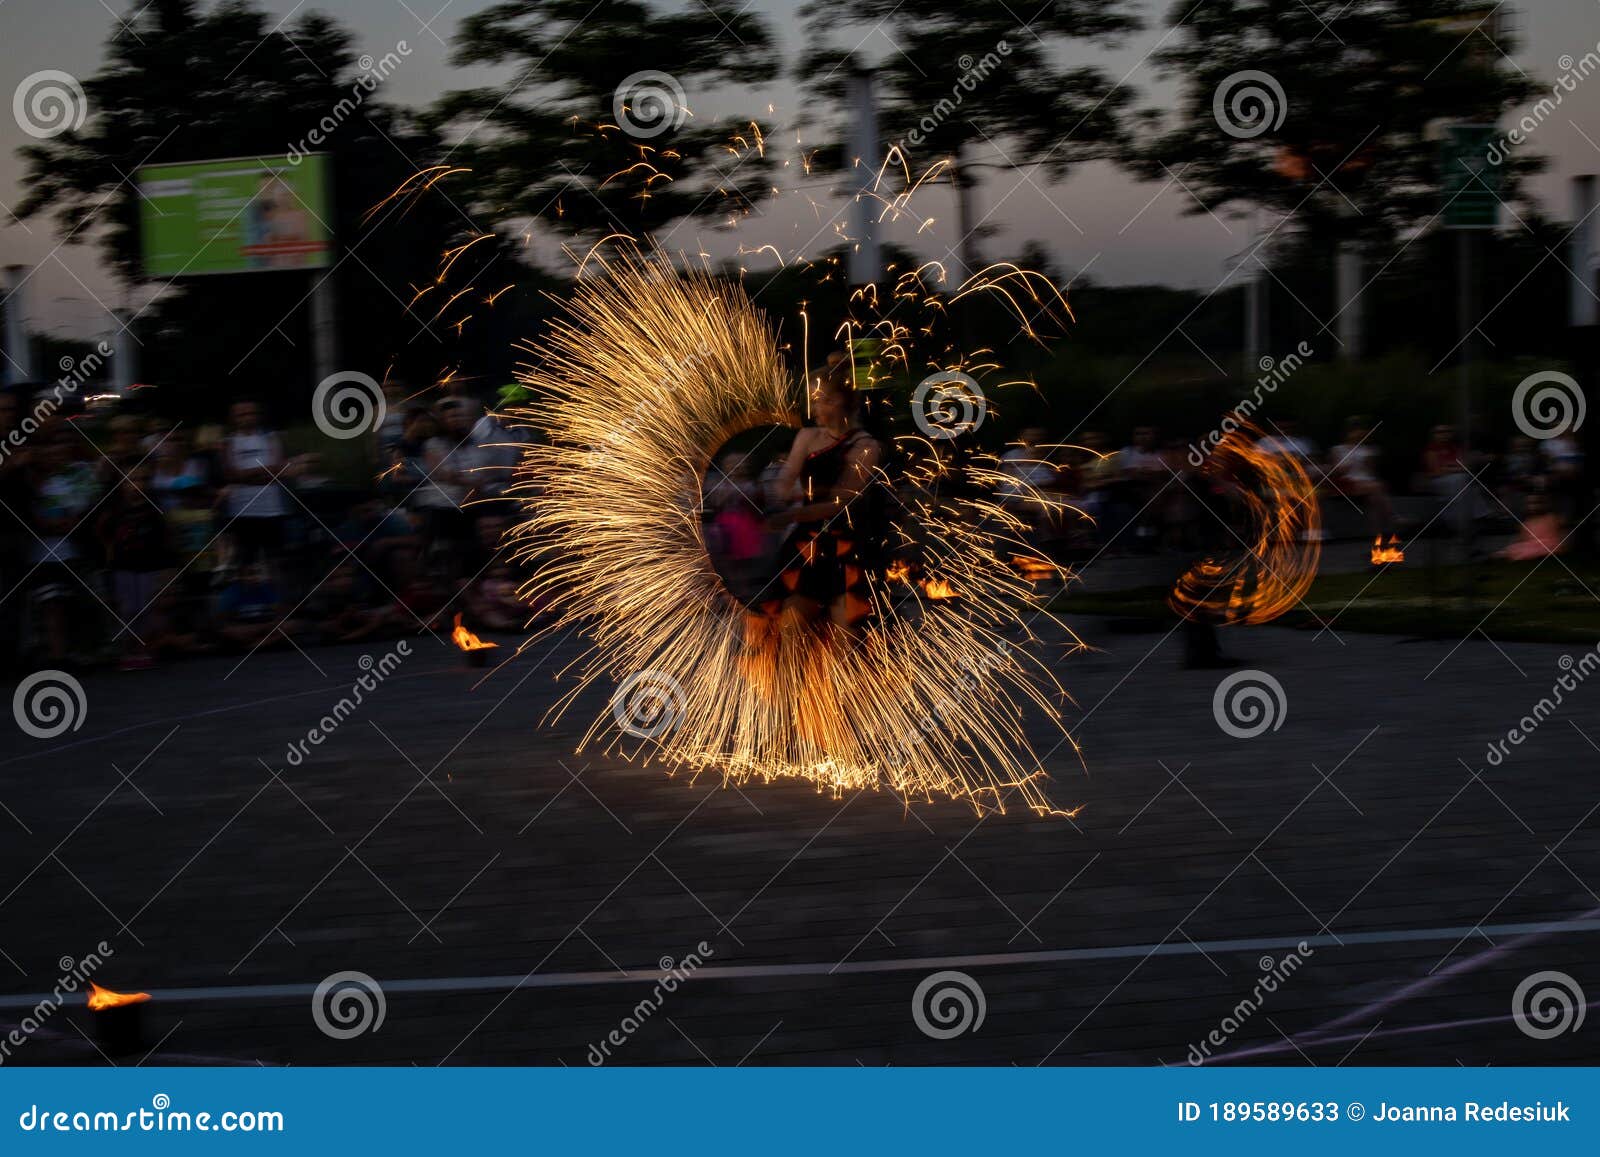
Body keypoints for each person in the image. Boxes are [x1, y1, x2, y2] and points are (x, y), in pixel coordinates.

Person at [767, 353, 885, 632]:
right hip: (808, 545)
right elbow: (784, 482)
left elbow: (839, 502)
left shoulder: (866, 446)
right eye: (814, 399)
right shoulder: (806, 437)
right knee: (790, 625)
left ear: (847, 401)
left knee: (847, 632)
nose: (817, 408)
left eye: (825, 400)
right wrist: (778, 496)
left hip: (849, 547)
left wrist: (792, 513)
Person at [96, 462, 171, 670]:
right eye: (130, 480)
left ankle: (142, 648)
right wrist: (109, 550)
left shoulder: (152, 507)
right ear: (121, 484)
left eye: (141, 480)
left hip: (147, 564)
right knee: (127, 607)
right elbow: (102, 530)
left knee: (144, 607)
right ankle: (127, 650)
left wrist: (163, 564)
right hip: (123, 564)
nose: (136, 485)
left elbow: (163, 535)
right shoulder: (115, 509)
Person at [220, 400, 288, 571]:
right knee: (245, 562)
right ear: (233, 418)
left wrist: (245, 475)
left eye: (251, 413)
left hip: (271, 509)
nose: (247, 418)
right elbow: (230, 474)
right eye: (242, 414)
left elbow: (278, 470)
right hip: (242, 511)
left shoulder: (270, 438)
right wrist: (263, 472)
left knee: (274, 560)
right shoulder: (228, 442)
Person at [1326, 418, 1392, 538]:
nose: (1358, 434)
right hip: (1346, 483)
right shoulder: (1338, 449)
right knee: (1377, 487)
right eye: (1355, 431)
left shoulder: (1369, 450)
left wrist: (1369, 462)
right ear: (1348, 433)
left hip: (1366, 484)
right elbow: (1335, 472)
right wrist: (1345, 465)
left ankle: (1376, 536)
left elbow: (1371, 472)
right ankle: (1393, 517)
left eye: (1361, 431)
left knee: (1373, 500)